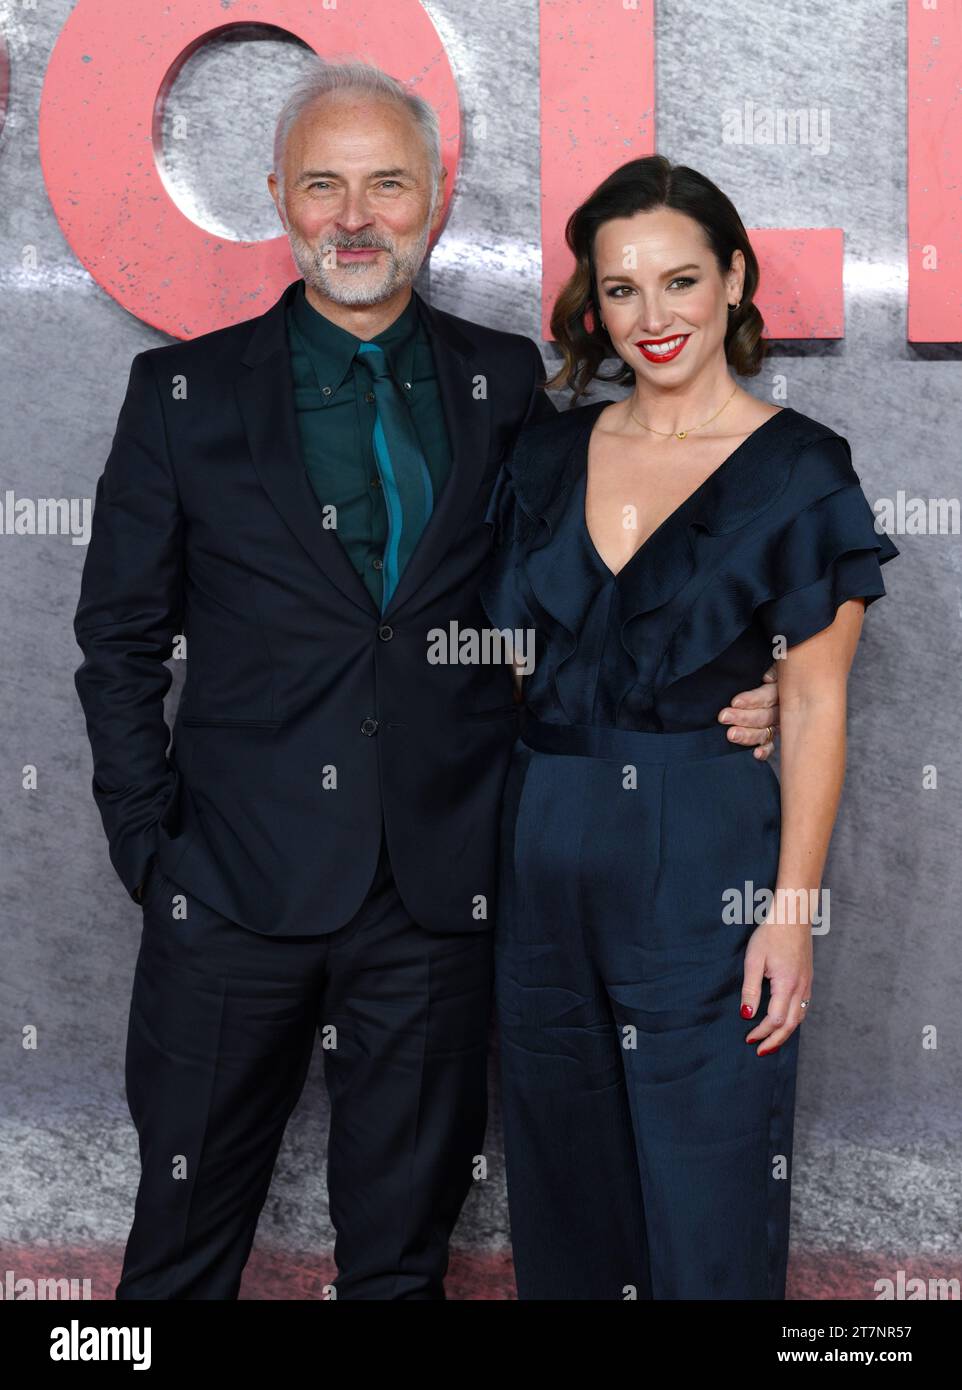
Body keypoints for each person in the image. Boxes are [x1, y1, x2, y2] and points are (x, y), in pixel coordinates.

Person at [73, 62, 780, 1301]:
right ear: (279, 201)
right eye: (323, 185)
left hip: (437, 896)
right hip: (228, 891)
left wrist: (740, 687)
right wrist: (152, 848)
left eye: (387, 183)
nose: (356, 216)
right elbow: (120, 641)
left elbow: (581, 597)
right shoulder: (181, 395)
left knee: (399, 1265)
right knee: (173, 1263)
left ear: (438, 199)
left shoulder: (503, 383)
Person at [480, 153, 899, 1300]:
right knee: (563, 1188)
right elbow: (515, 673)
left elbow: (813, 704)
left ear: (733, 278)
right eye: (620, 289)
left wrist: (789, 916)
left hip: (703, 848)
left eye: (677, 281)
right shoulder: (547, 451)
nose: (650, 317)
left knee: (705, 1191)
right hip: (542, 838)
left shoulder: (800, 471)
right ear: (592, 303)